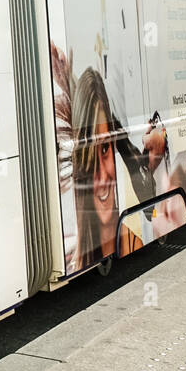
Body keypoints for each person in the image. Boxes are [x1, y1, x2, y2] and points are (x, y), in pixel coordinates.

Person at [71, 67, 142, 267]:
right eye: (91, 157)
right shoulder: (72, 259)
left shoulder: (131, 240)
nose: (102, 177)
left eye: (104, 150)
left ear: (113, 146)